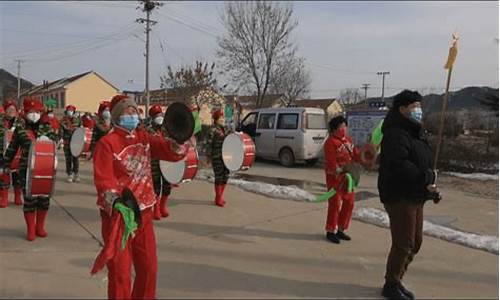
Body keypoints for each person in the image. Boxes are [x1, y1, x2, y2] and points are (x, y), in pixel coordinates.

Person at [91, 94, 187, 299]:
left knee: (149, 270)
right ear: (117, 116)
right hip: (119, 219)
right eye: (127, 111)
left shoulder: (144, 138)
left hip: (144, 215)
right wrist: (115, 202)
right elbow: (103, 179)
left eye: (135, 111)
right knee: (121, 275)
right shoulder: (107, 143)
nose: (133, 114)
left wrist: (179, 139)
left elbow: (169, 151)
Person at [378, 90, 439, 300]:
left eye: (419, 106)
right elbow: (399, 164)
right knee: (404, 243)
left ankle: (397, 279)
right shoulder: (396, 133)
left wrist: (429, 183)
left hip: (416, 194)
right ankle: (391, 284)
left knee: (416, 242)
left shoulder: (415, 132)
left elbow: (420, 160)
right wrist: (424, 176)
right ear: (402, 109)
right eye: (414, 106)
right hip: (399, 195)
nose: (418, 110)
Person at [4, 97, 58, 241]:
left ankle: (40, 227)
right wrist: (5, 164)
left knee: (44, 200)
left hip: (45, 168)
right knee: (29, 200)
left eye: (36, 111)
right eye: (30, 111)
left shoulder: (47, 127)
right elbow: (12, 148)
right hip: (26, 169)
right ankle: (30, 229)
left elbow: (55, 143)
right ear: (26, 112)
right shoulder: (21, 129)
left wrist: (52, 140)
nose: (33, 114)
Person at [323, 115, 362, 244]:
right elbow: (331, 162)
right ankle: (330, 230)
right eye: (341, 127)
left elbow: (356, 155)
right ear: (334, 129)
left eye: (345, 126)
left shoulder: (348, 140)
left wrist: (366, 156)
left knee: (349, 204)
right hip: (336, 179)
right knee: (335, 204)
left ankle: (341, 229)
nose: (344, 129)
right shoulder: (330, 142)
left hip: (349, 178)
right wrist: (338, 169)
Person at [146, 104, 172, 220]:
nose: (159, 117)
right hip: (154, 161)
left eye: (160, 114)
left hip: (166, 160)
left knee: (167, 185)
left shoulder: (166, 129)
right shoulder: (148, 130)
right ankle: (155, 209)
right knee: (156, 186)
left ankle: (163, 207)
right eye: (157, 115)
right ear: (152, 118)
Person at [205, 108, 232, 207]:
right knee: (219, 177)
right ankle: (218, 197)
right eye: (221, 117)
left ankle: (220, 196)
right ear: (216, 119)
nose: (222, 119)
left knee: (225, 176)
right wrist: (208, 157)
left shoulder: (225, 129)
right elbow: (208, 144)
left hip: (226, 157)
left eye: (223, 117)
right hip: (216, 156)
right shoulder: (212, 130)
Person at [0, 100, 24, 207]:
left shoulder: (21, 122)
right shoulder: (1, 121)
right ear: (5, 111)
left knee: (17, 176)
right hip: (2, 152)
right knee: (4, 176)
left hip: (17, 153)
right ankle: (4, 198)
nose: (11, 111)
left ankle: (17, 196)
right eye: (9, 109)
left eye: (13, 109)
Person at [60, 105, 81, 183]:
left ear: (74, 112)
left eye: (71, 110)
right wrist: (61, 139)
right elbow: (61, 131)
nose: (70, 112)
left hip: (76, 142)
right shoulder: (63, 121)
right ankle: (69, 174)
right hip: (67, 142)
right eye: (69, 110)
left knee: (75, 159)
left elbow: (80, 131)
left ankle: (76, 174)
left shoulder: (78, 121)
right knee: (68, 159)